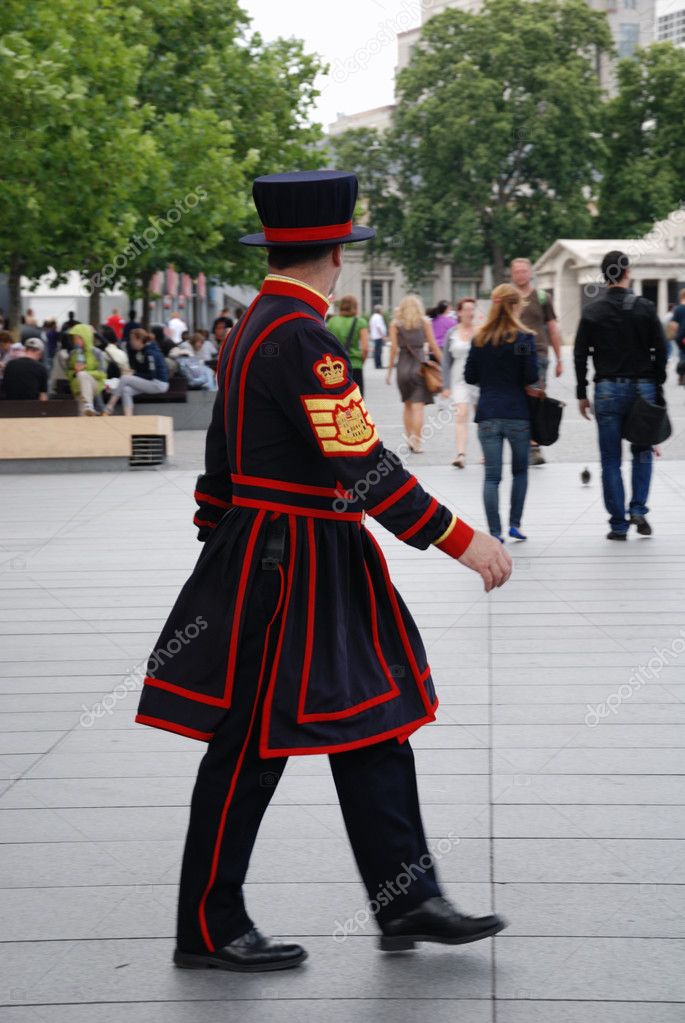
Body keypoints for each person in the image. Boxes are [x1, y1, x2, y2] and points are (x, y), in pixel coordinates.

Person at [135, 169, 511, 974]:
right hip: (292, 563)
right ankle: (208, 924)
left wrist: (219, 539)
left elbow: (220, 459)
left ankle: (406, 897)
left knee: (373, 720)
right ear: (335, 252)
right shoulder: (302, 336)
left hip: (284, 554)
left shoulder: (254, 326)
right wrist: (461, 540)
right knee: (249, 746)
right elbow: (362, 464)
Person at [574, 250, 668, 540]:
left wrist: (582, 391)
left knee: (610, 459)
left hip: (607, 389)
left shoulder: (592, 312)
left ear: (604, 275)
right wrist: (658, 383)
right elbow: (661, 349)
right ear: (627, 272)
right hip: (643, 387)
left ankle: (618, 524)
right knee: (642, 451)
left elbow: (580, 354)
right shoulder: (645, 308)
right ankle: (638, 508)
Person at [464, 284, 539, 542]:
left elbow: (470, 376)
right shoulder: (524, 339)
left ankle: (495, 532)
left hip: (488, 413)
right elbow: (531, 375)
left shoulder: (480, 339)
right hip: (518, 413)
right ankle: (515, 524)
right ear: (515, 305)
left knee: (492, 477)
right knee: (520, 472)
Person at [510, 257, 563, 466]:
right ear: (512, 274)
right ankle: (521, 442)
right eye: (517, 271)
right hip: (513, 354)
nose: (520, 275)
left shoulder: (542, 297)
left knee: (534, 398)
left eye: (524, 271)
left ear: (530, 273)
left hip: (538, 354)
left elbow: (552, 328)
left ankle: (534, 445)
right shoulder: (508, 298)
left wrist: (559, 358)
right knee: (516, 399)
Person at [386, 294, 442, 453]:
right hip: (419, 369)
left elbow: (393, 349)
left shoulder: (395, 325)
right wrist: (444, 365)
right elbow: (433, 346)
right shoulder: (425, 322)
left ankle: (409, 438)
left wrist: (389, 372)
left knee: (407, 406)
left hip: (402, 368)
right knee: (418, 408)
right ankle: (416, 442)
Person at [443, 297, 479, 468]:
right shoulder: (452, 333)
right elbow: (446, 361)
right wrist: (446, 385)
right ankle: (461, 454)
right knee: (461, 414)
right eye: (466, 309)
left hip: (479, 381)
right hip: (459, 381)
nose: (469, 313)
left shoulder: (480, 332)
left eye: (472, 309)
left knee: (482, 418)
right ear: (459, 312)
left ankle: (486, 453)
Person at [103, 328, 169, 414]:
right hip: (152, 382)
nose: (131, 342)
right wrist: (133, 373)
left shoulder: (150, 353)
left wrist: (133, 374)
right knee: (126, 390)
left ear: (139, 340)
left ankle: (109, 406)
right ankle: (128, 417)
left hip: (159, 383)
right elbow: (143, 371)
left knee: (125, 378)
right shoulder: (142, 351)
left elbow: (151, 375)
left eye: (132, 340)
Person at [325, 294, 369, 394]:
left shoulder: (332, 321)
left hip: (336, 366)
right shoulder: (360, 322)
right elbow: (365, 348)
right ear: (355, 307)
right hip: (355, 365)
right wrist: (360, 361)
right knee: (356, 399)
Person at [66, 323, 106, 415]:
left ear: (85, 337)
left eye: (78, 338)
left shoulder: (97, 353)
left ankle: (88, 404)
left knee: (82, 375)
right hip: (78, 387)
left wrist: (85, 372)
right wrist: (75, 372)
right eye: (74, 338)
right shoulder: (73, 354)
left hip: (94, 384)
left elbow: (102, 373)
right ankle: (88, 407)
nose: (75, 341)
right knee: (83, 416)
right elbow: (68, 373)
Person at [672, 288, 685, 383]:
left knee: (682, 355)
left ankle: (681, 375)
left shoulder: (678, 309)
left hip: (681, 337)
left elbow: (673, 325)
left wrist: (677, 334)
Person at [369, 304, 388, 368]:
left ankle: (377, 364)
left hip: (375, 336)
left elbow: (370, 327)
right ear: (379, 310)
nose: (383, 311)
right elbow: (379, 327)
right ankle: (379, 365)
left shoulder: (373, 316)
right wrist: (383, 336)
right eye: (382, 309)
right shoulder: (378, 317)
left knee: (377, 351)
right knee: (378, 351)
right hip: (378, 336)